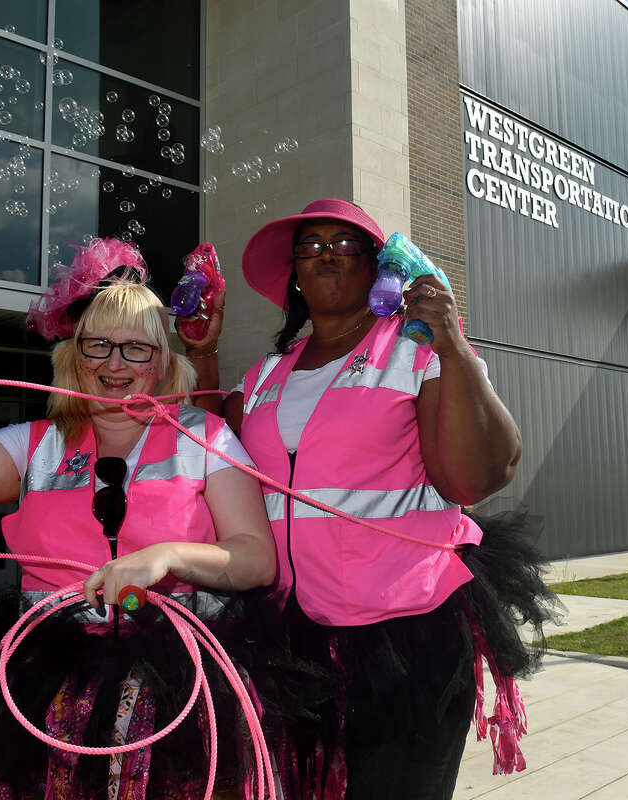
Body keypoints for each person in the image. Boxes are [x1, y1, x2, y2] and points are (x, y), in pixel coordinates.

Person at [183, 199, 556, 800]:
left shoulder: (417, 351)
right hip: (293, 638)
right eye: (311, 247)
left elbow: (477, 476)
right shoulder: (262, 378)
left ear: (380, 269)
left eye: (344, 244)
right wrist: (202, 355)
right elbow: (205, 459)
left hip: (406, 634)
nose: (326, 255)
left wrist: (453, 345)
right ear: (295, 276)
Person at [0, 237, 276, 799]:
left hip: (178, 680)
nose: (116, 364)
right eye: (100, 346)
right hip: (48, 678)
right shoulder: (35, 444)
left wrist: (168, 556)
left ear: (163, 362)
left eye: (137, 349)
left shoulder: (206, 438)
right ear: (75, 356)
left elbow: (256, 559)